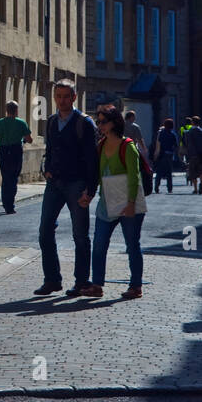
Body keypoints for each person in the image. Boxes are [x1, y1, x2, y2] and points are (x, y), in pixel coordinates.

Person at [34, 79, 99, 297]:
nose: (61, 101)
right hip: (54, 183)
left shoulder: (84, 123)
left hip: (77, 184)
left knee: (80, 235)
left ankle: (82, 281)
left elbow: (92, 159)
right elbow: (50, 150)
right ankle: (52, 280)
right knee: (45, 232)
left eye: (65, 97)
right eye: (58, 96)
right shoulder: (52, 121)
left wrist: (90, 190)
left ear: (74, 97)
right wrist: (46, 169)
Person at [80, 105, 147, 300]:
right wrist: (88, 194)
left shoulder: (128, 146)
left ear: (114, 123)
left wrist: (131, 203)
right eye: (98, 121)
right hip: (107, 201)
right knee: (99, 244)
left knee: (132, 245)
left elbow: (134, 177)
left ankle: (135, 286)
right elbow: (96, 174)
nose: (100, 125)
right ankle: (97, 285)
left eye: (103, 121)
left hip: (128, 202)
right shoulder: (100, 145)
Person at [0, 100, 32, 214]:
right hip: (16, 151)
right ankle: (10, 204)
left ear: (6, 110)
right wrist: (23, 138)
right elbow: (29, 139)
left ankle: (6, 203)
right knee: (13, 178)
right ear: (16, 110)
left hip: (3, 151)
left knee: (5, 177)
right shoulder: (21, 123)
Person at [184, 119, 202, 194]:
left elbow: (186, 143)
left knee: (193, 172)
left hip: (192, 154)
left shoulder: (188, 132)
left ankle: (195, 188)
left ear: (192, 123)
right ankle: (201, 183)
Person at [153, 118, 177, 193]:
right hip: (170, 154)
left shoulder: (161, 133)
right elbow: (175, 145)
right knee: (169, 172)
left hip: (162, 154)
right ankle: (170, 188)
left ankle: (156, 187)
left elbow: (158, 145)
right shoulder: (173, 134)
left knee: (159, 171)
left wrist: (156, 155)